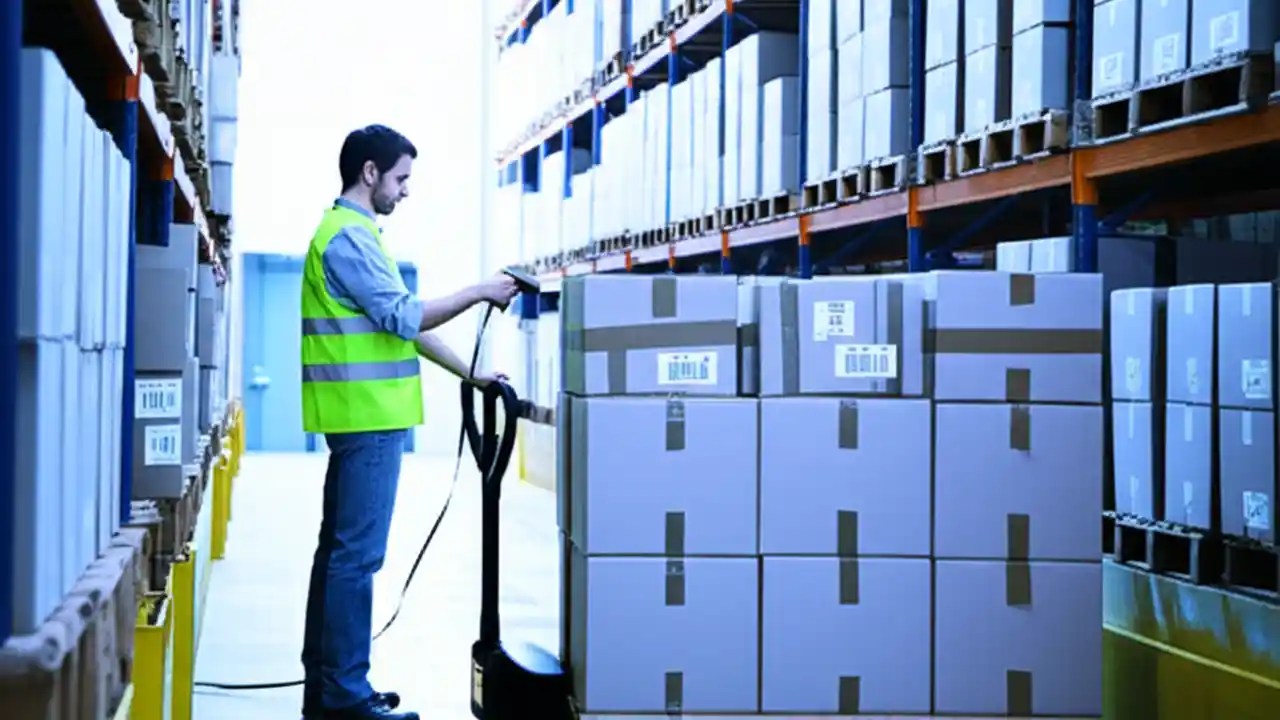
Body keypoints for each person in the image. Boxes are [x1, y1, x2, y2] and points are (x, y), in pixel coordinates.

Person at [298, 124, 520, 720]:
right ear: (369, 174)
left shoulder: (357, 236)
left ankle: (327, 688)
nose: (405, 191)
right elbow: (404, 314)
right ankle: (343, 696)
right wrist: (478, 291)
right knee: (355, 560)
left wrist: (472, 375)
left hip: (365, 422)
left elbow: (407, 328)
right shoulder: (347, 238)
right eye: (400, 178)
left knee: (338, 556)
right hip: (367, 423)